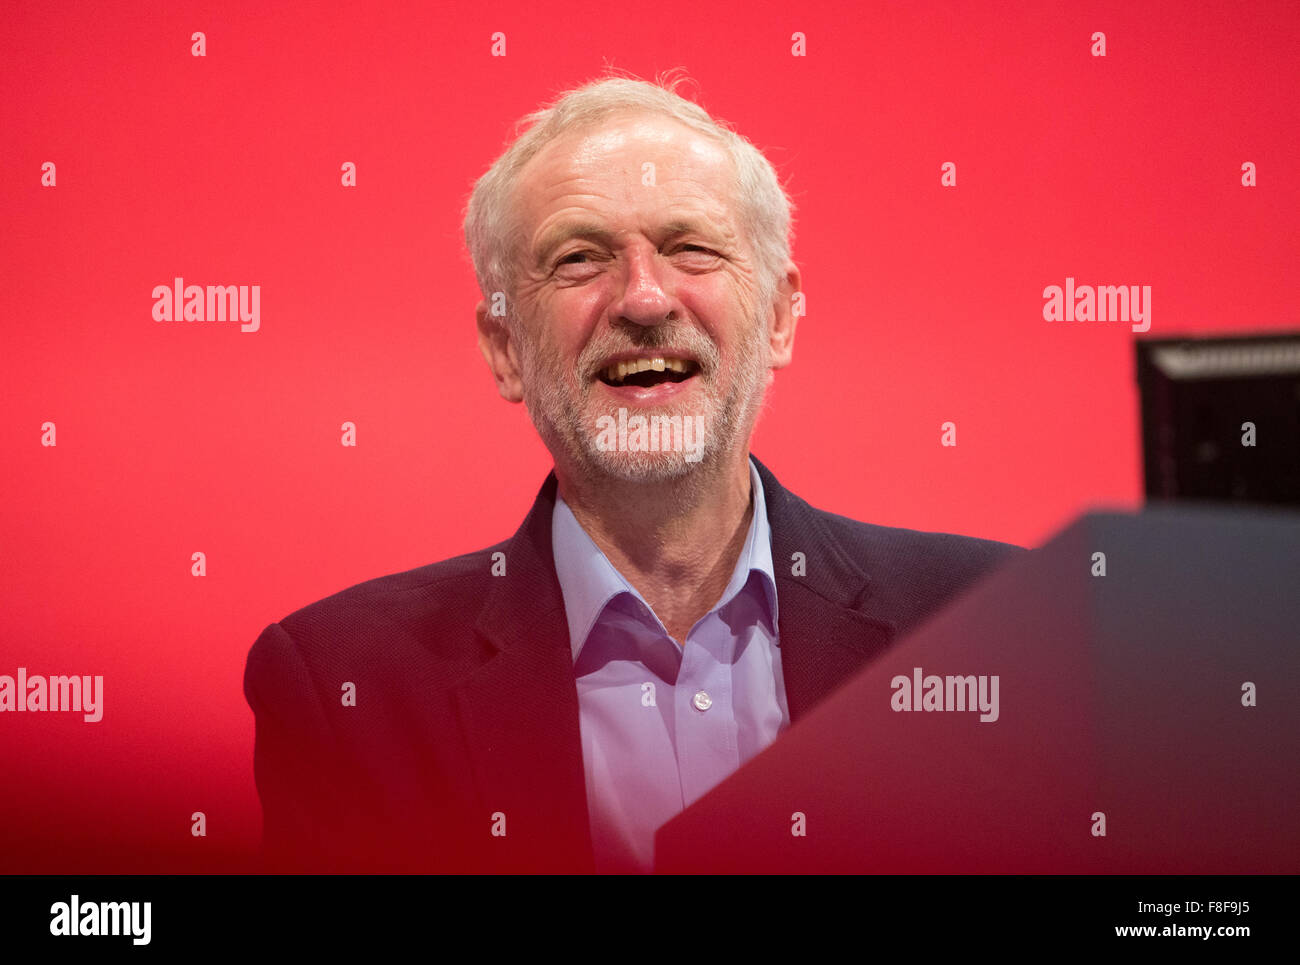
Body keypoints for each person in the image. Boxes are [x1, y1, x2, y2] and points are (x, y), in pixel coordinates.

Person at [243, 71, 1025, 874]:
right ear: (506, 347)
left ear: (781, 318)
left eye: (691, 246)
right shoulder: (348, 685)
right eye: (580, 258)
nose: (645, 300)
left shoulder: (995, 628)